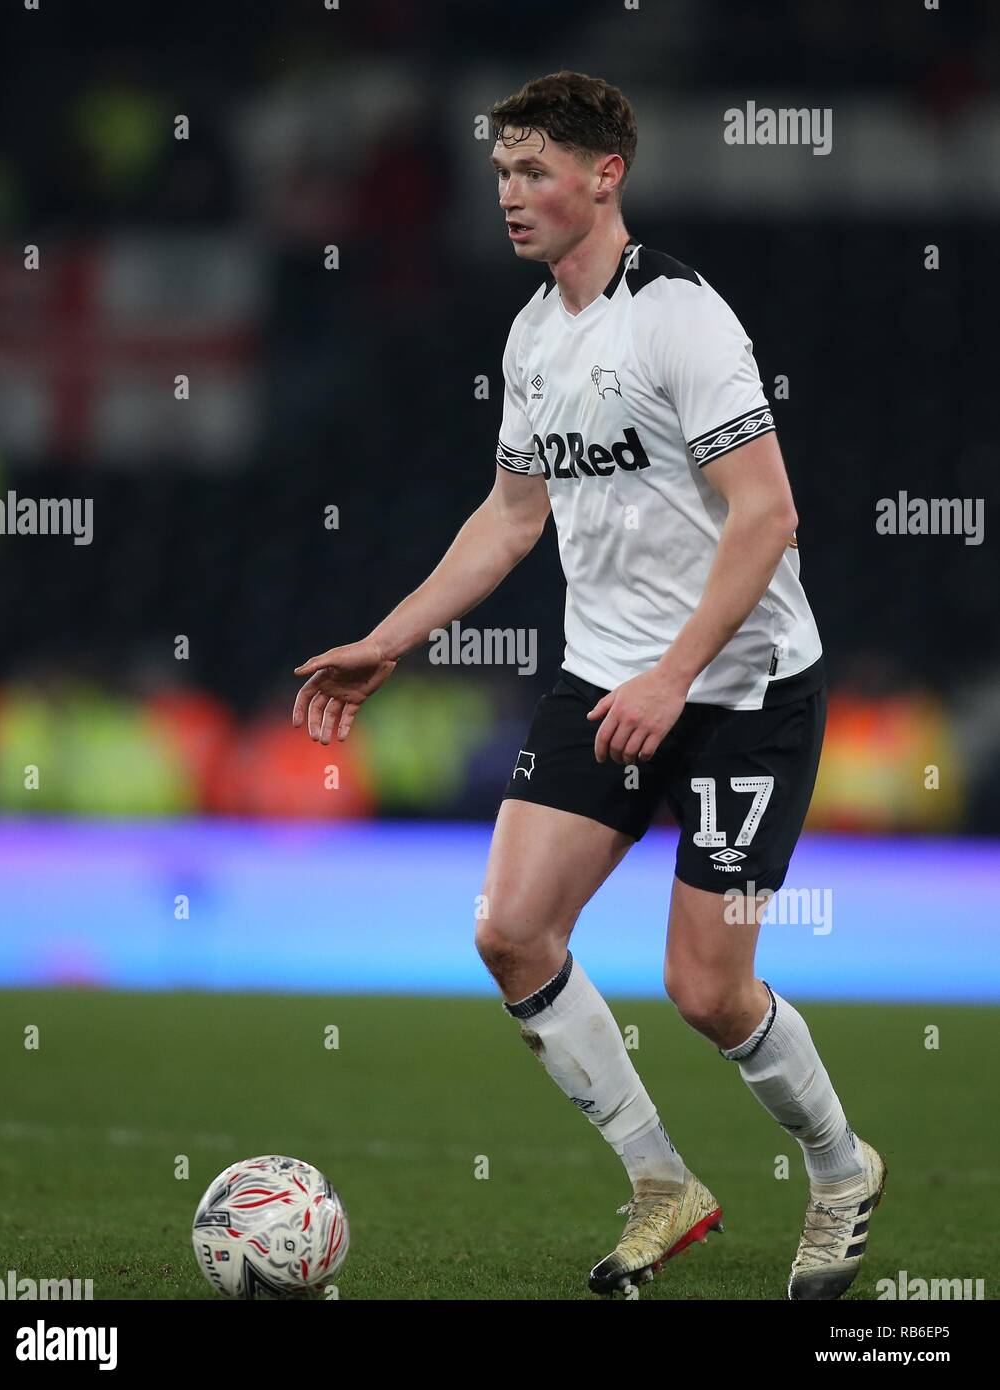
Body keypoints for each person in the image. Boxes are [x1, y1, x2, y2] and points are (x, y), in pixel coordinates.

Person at [292, 70, 885, 1300]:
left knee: (704, 992)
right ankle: (662, 1183)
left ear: (603, 175)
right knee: (510, 931)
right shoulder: (532, 334)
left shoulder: (680, 317)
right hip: (603, 679)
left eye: (533, 171)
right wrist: (389, 636)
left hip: (738, 692)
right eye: (501, 171)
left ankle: (838, 1170)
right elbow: (511, 518)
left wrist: (676, 677)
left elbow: (767, 515)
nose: (509, 194)